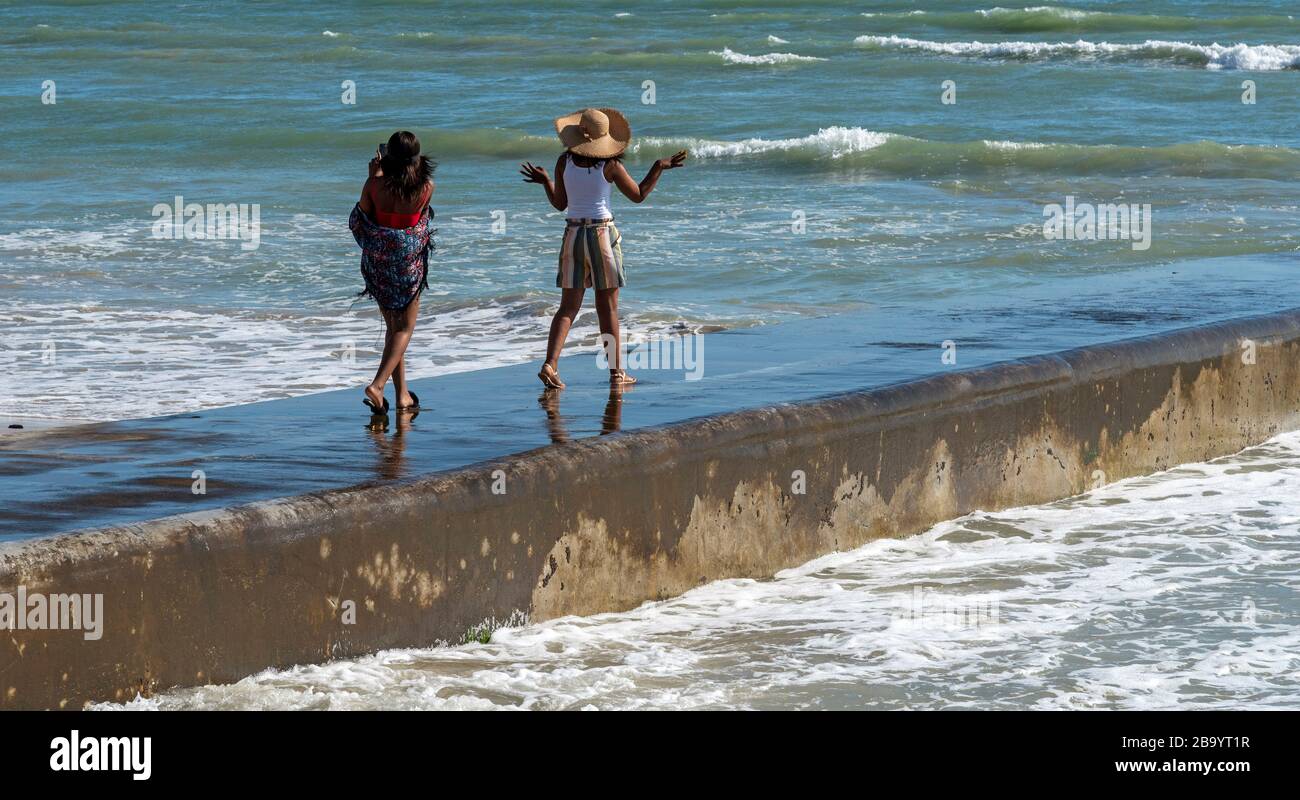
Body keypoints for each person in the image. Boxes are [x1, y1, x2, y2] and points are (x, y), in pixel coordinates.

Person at [520, 107, 686, 389]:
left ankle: (550, 364)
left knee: (567, 308)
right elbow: (638, 195)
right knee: (607, 308)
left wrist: (546, 181)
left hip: (572, 234)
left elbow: (560, 204)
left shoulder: (564, 162)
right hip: (601, 236)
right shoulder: (610, 166)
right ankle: (617, 373)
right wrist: (659, 167)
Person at [350, 131, 435, 415]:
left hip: (379, 264)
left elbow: (360, 218)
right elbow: (419, 223)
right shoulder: (426, 187)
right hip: (408, 265)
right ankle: (378, 385)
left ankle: (402, 396)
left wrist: (373, 176)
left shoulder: (374, 185)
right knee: (404, 329)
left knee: (394, 330)